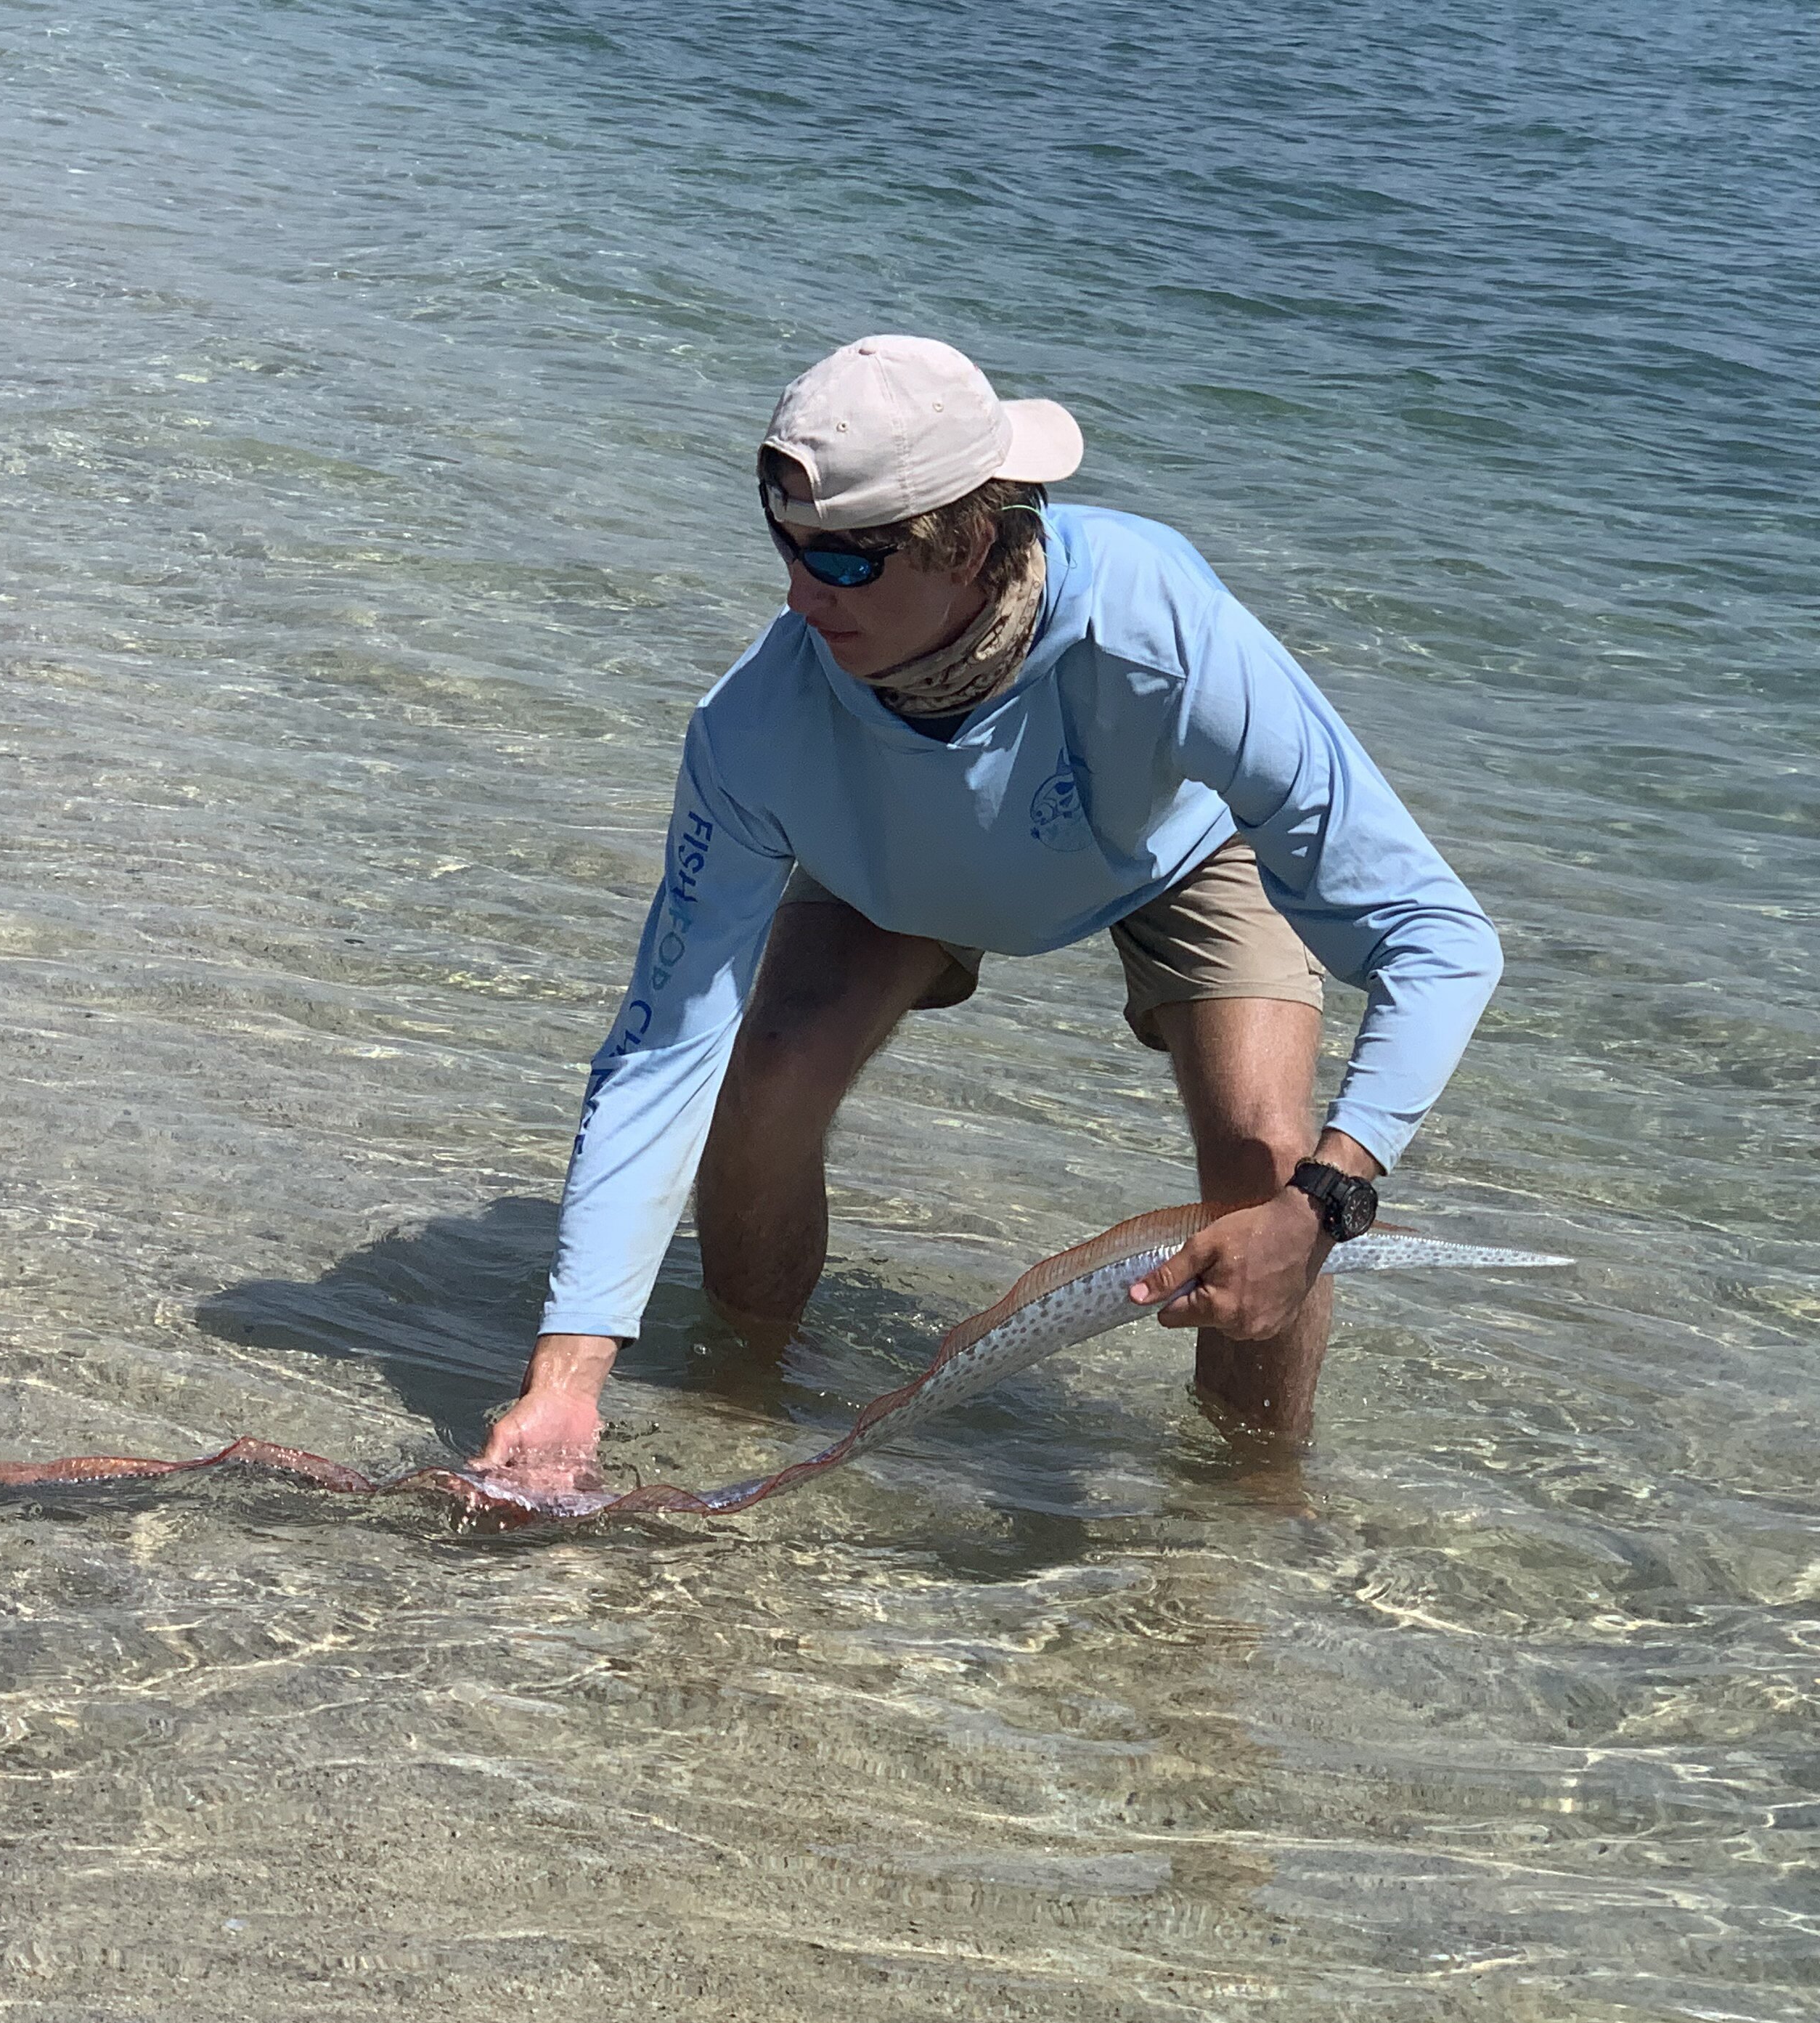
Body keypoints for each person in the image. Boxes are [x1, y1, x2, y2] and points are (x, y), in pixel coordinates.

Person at [474, 335, 1501, 1500]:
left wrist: (1328, 1197)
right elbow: (664, 1045)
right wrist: (569, 1372)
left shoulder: (1157, 627)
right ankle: (742, 1401)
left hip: (1178, 845)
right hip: (899, 859)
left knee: (1262, 1162)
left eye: (847, 564)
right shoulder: (756, 728)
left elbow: (1439, 937)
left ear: (966, 542)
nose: (800, 596)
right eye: (787, 547)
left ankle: (1249, 1506)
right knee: (769, 1073)